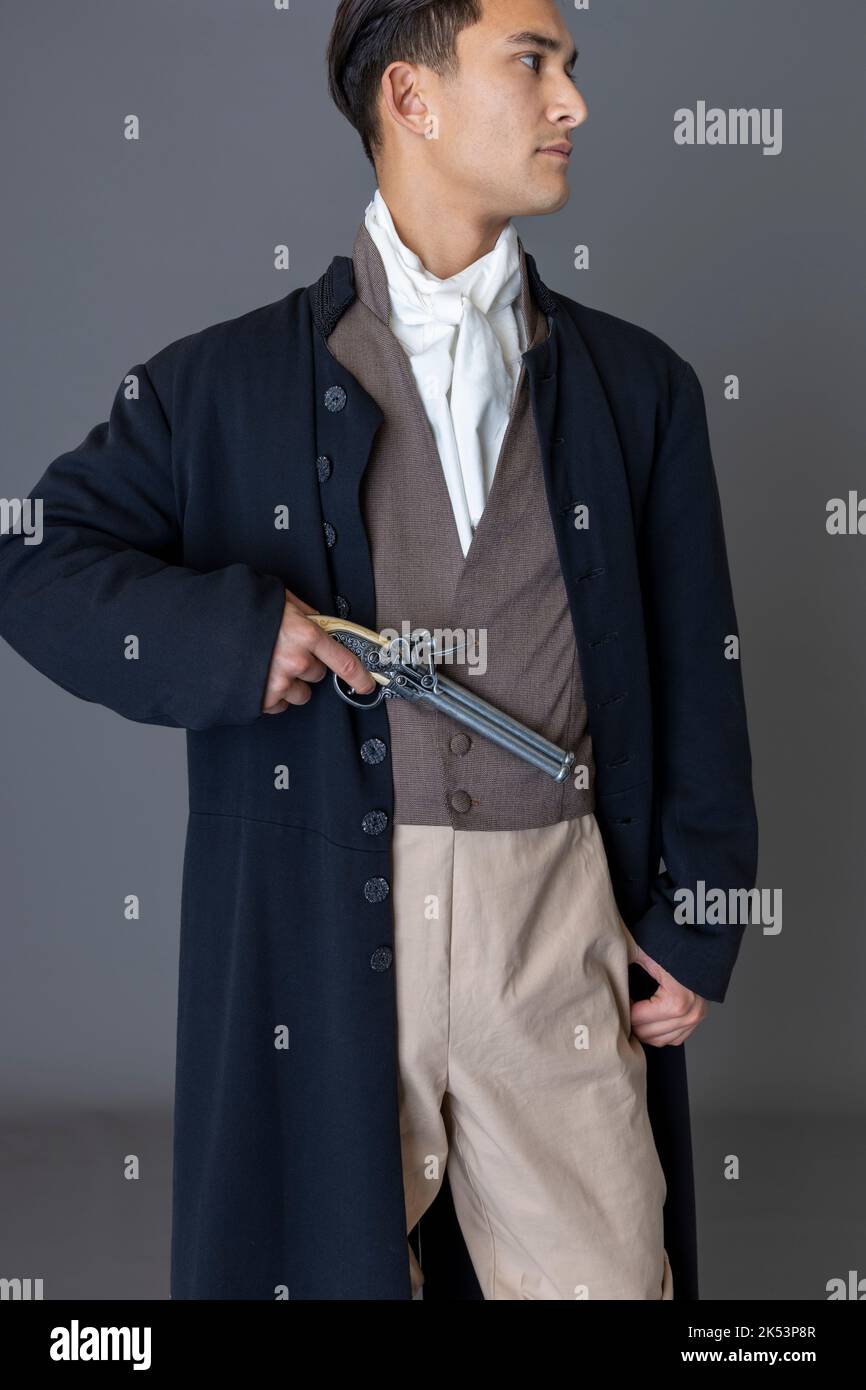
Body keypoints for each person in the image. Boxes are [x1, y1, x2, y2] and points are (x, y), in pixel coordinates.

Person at [0, 0, 758, 1300]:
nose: (572, 101)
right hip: (321, 937)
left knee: (613, 1278)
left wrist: (699, 908)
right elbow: (32, 555)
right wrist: (242, 633)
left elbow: (699, 661)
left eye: (569, 66)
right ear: (409, 99)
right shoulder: (218, 386)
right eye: (533, 61)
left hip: (554, 922)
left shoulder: (642, 390)